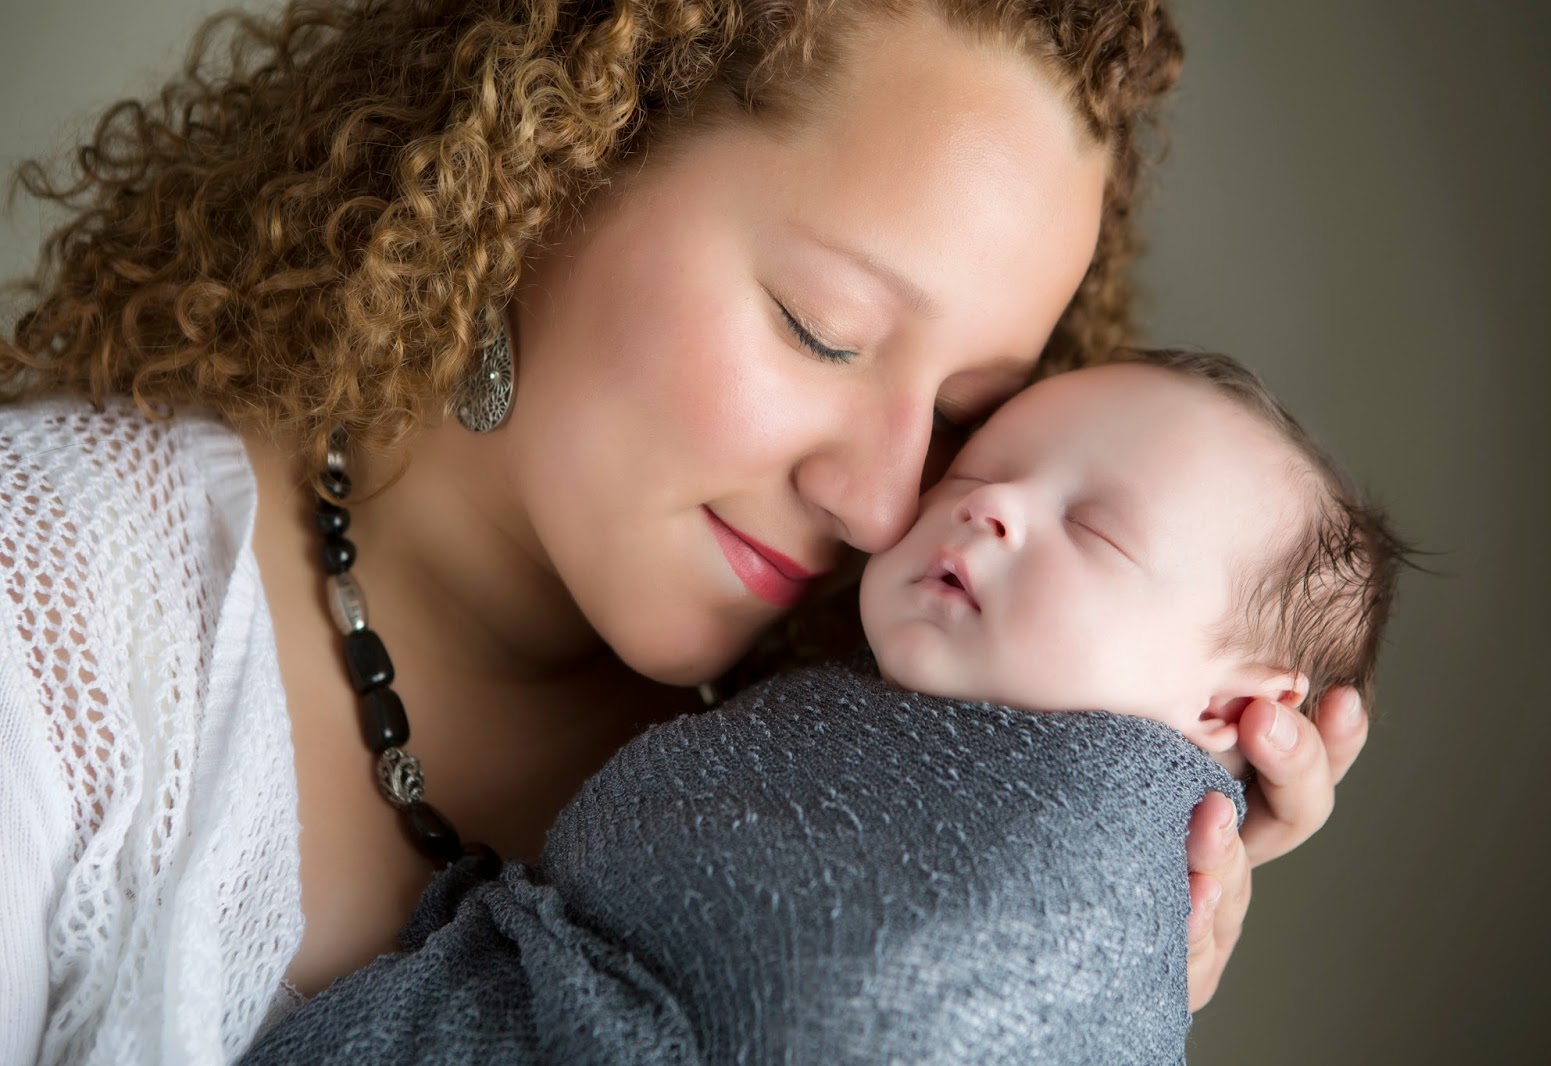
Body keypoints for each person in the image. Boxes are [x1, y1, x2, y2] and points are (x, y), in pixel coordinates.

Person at [0, 1, 1369, 1062]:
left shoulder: (880, 739)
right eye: (822, 333)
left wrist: (1095, 868)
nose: (887, 501)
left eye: (968, 419)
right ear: (549, 166)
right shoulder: (55, 609)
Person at [238, 349, 1406, 1065]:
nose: (986, 509)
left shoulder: (1091, 866)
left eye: (1092, 529)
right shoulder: (812, 697)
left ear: (1231, 709)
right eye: (976, 468)